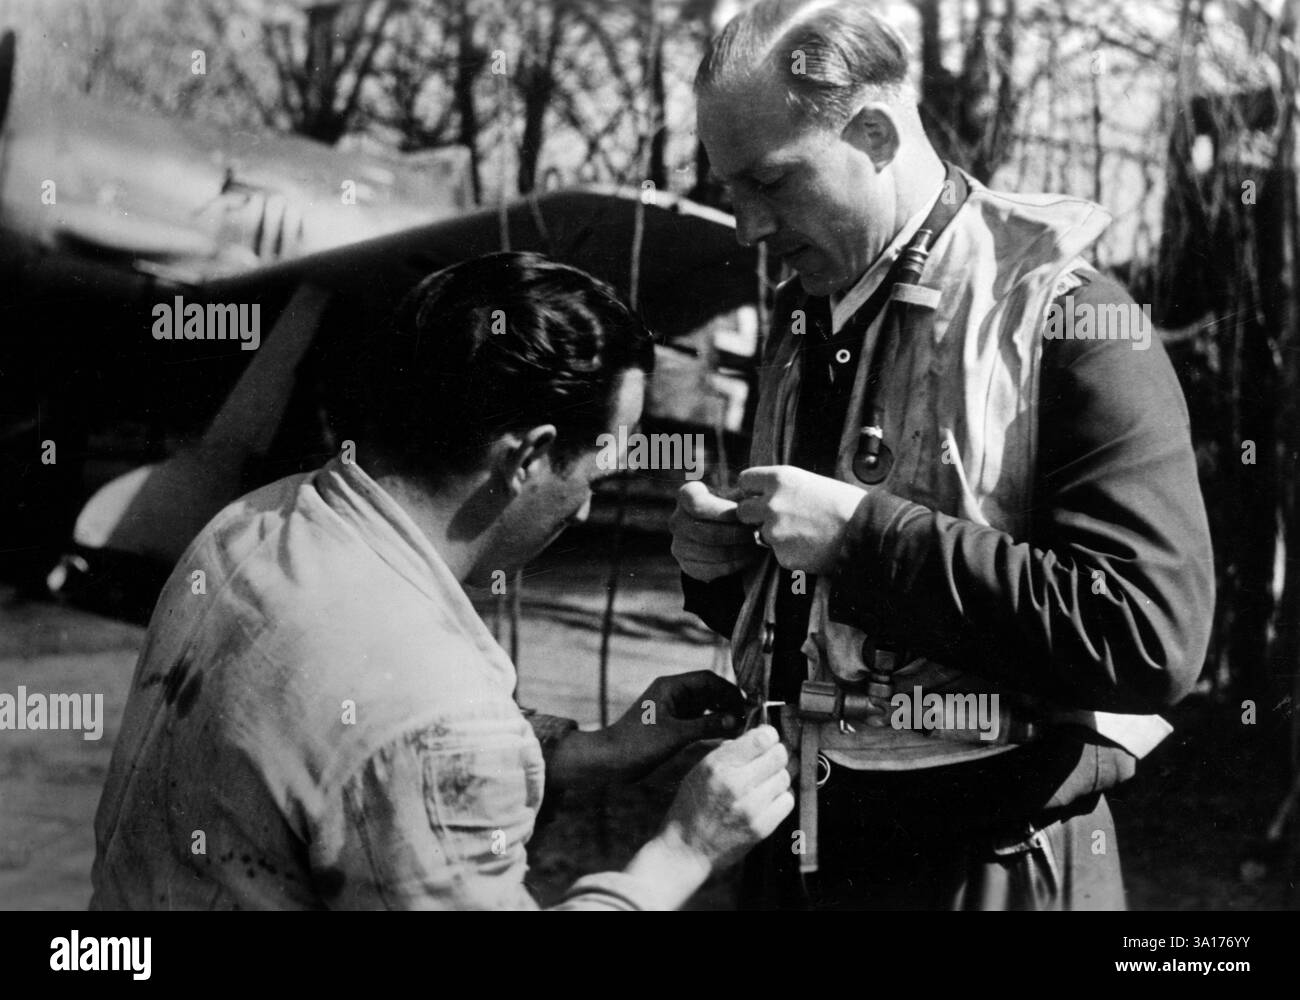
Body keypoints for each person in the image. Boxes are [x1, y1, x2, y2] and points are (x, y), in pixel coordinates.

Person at [672, 0, 1214, 910]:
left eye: (771, 183)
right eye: (733, 190)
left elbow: (1147, 636)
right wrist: (728, 567)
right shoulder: (805, 310)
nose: (748, 229)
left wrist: (863, 538)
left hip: (991, 869)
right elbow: (847, 621)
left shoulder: (1072, 315)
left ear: (877, 132)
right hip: (800, 854)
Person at [91, 251, 793, 910]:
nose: (583, 508)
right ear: (530, 457)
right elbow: (411, 738)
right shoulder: (438, 713)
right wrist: (683, 852)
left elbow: (347, 750)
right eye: (593, 477)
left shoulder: (252, 522)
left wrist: (584, 752)